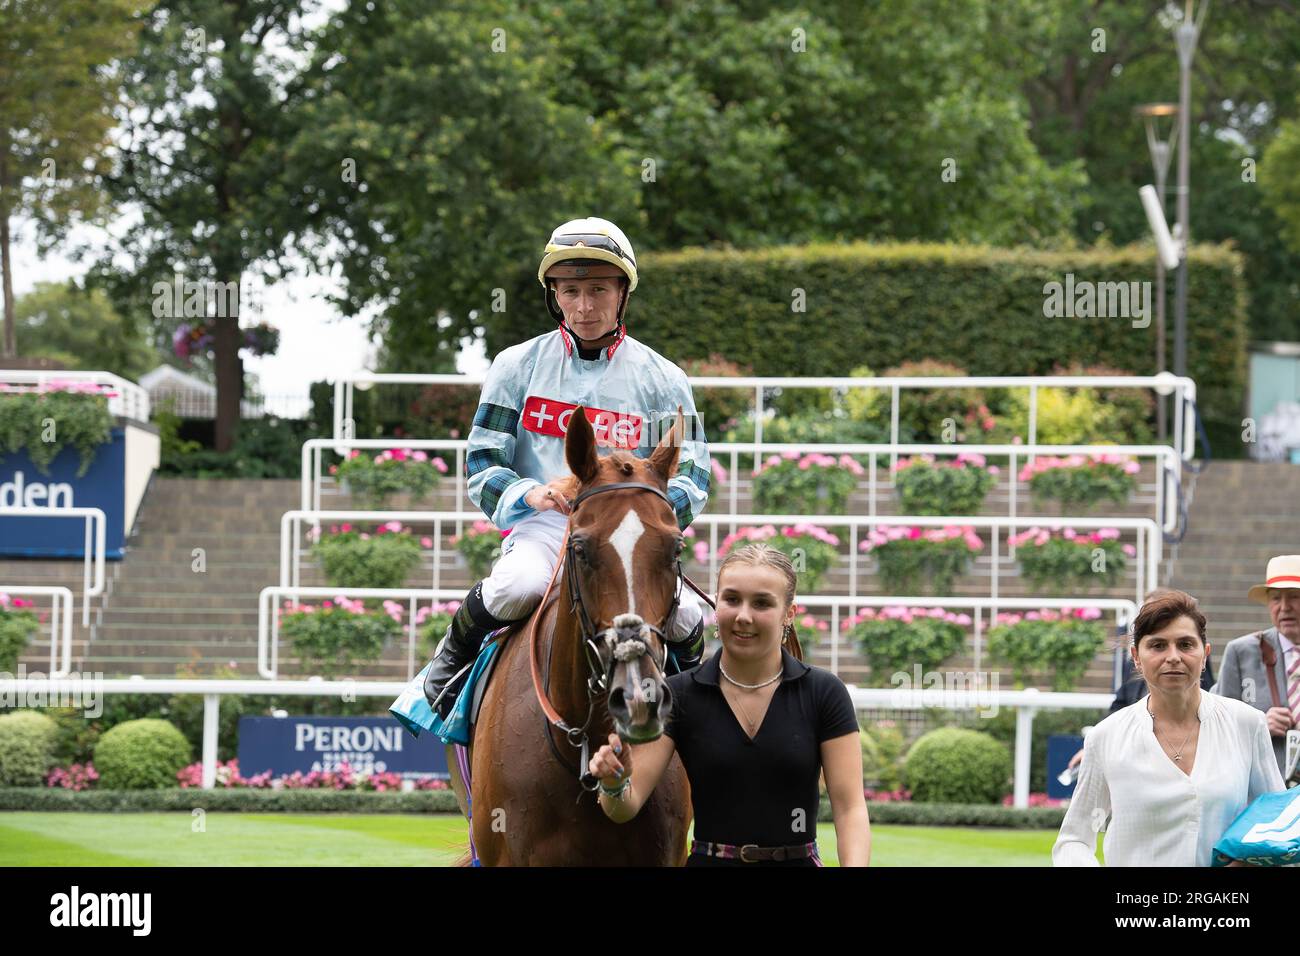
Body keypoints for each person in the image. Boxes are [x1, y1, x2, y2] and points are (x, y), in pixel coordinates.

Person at [421, 217, 712, 718]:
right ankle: (448, 665)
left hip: (630, 533)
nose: (584, 306)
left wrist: (646, 514)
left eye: (598, 290)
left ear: (622, 293)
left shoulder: (665, 378)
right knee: (517, 586)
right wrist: (530, 494)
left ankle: (695, 709)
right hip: (546, 524)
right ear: (554, 294)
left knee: (686, 614)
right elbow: (483, 460)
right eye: (570, 291)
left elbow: (693, 475)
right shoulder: (516, 365)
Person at [587, 544, 871, 866]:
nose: (743, 616)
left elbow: (850, 809)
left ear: (789, 613)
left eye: (762, 603)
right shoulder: (678, 694)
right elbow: (625, 806)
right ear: (717, 603)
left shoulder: (824, 693)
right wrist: (613, 782)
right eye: (732, 599)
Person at [1053, 589, 1284, 866]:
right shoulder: (1106, 737)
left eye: (1185, 644)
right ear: (1136, 656)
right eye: (1158, 645)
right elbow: (1074, 840)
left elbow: (1277, 824)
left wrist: (1249, 862)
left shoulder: (1246, 723)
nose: (1173, 656)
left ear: (1204, 654)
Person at [1215, 554, 1300, 776]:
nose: (1284, 607)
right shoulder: (1241, 652)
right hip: (1266, 786)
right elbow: (1217, 727)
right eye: (1275, 598)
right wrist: (1259, 725)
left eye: (1294, 596)